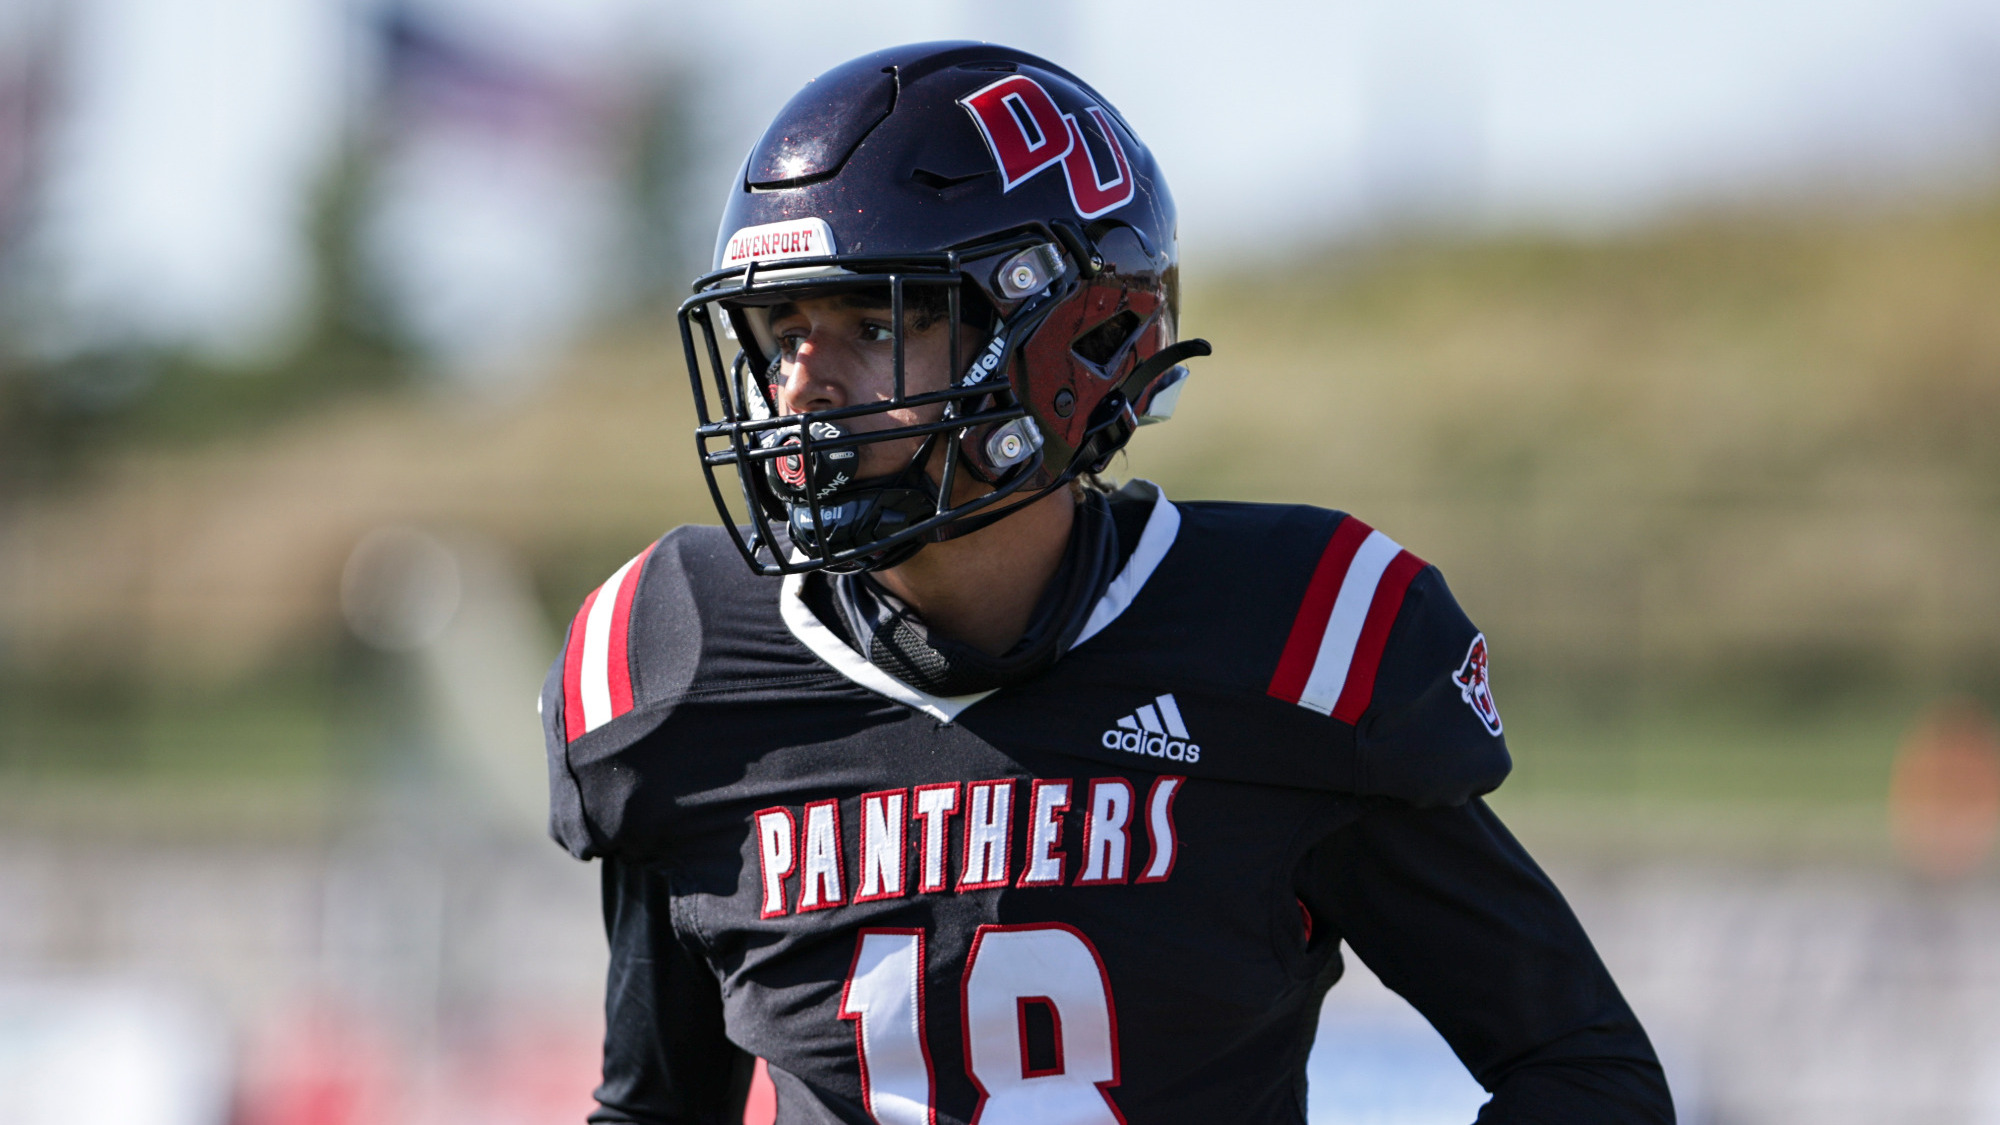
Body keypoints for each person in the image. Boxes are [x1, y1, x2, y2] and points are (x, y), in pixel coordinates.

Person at [542, 41, 1673, 1125]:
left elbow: (1579, 1069)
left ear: (1061, 340)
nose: (800, 386)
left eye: (875, 321)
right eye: (781, 328)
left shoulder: (1288, 646)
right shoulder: (677, 670)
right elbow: (653, 1109)